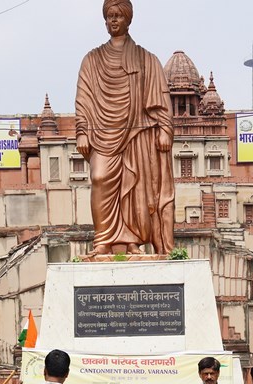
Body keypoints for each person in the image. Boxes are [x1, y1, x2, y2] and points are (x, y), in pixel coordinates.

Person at [75, 0, 175, 256]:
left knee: (138, 189)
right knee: (99, 178)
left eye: (119, 15)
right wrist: (82, 131)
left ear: (128, 19)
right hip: (102, 134)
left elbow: (160, 98)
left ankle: (132, 241)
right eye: (109, 16)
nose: (114, 20)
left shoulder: (146, 59)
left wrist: (164, 127)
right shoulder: (92, 60)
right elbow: (83, 98)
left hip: (137, 132)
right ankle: (103, 241)